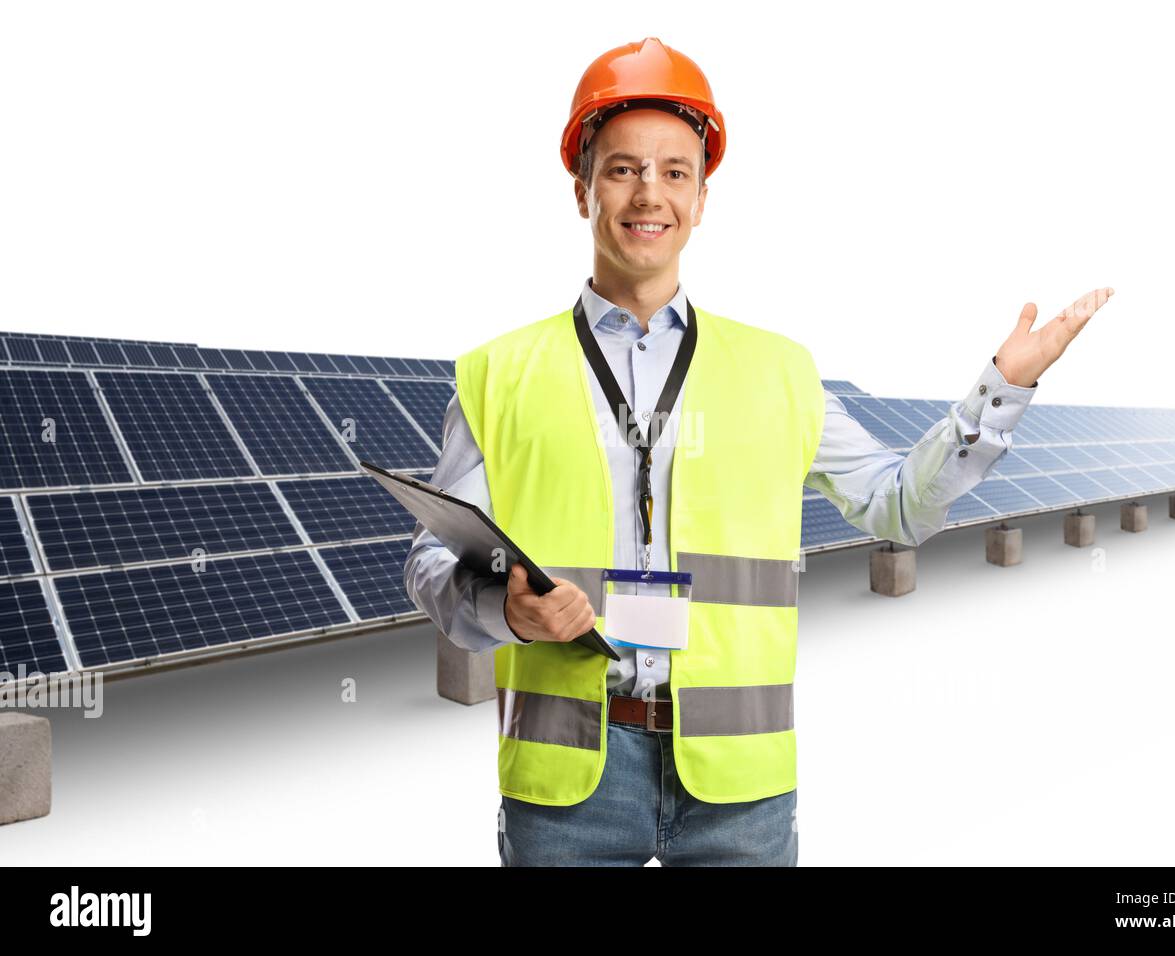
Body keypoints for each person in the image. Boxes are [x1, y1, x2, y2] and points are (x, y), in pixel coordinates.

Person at [404, 36, 1114, 867]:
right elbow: (430, 561)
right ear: (582, 188)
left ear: (702, 199)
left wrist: (997, 392)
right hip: (566, 791)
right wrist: (505, 610)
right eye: (623, 168)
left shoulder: (780, 371)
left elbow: (897, 507)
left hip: (740, 788)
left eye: (675, 172)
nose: (649, 193)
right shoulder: (496, 374)